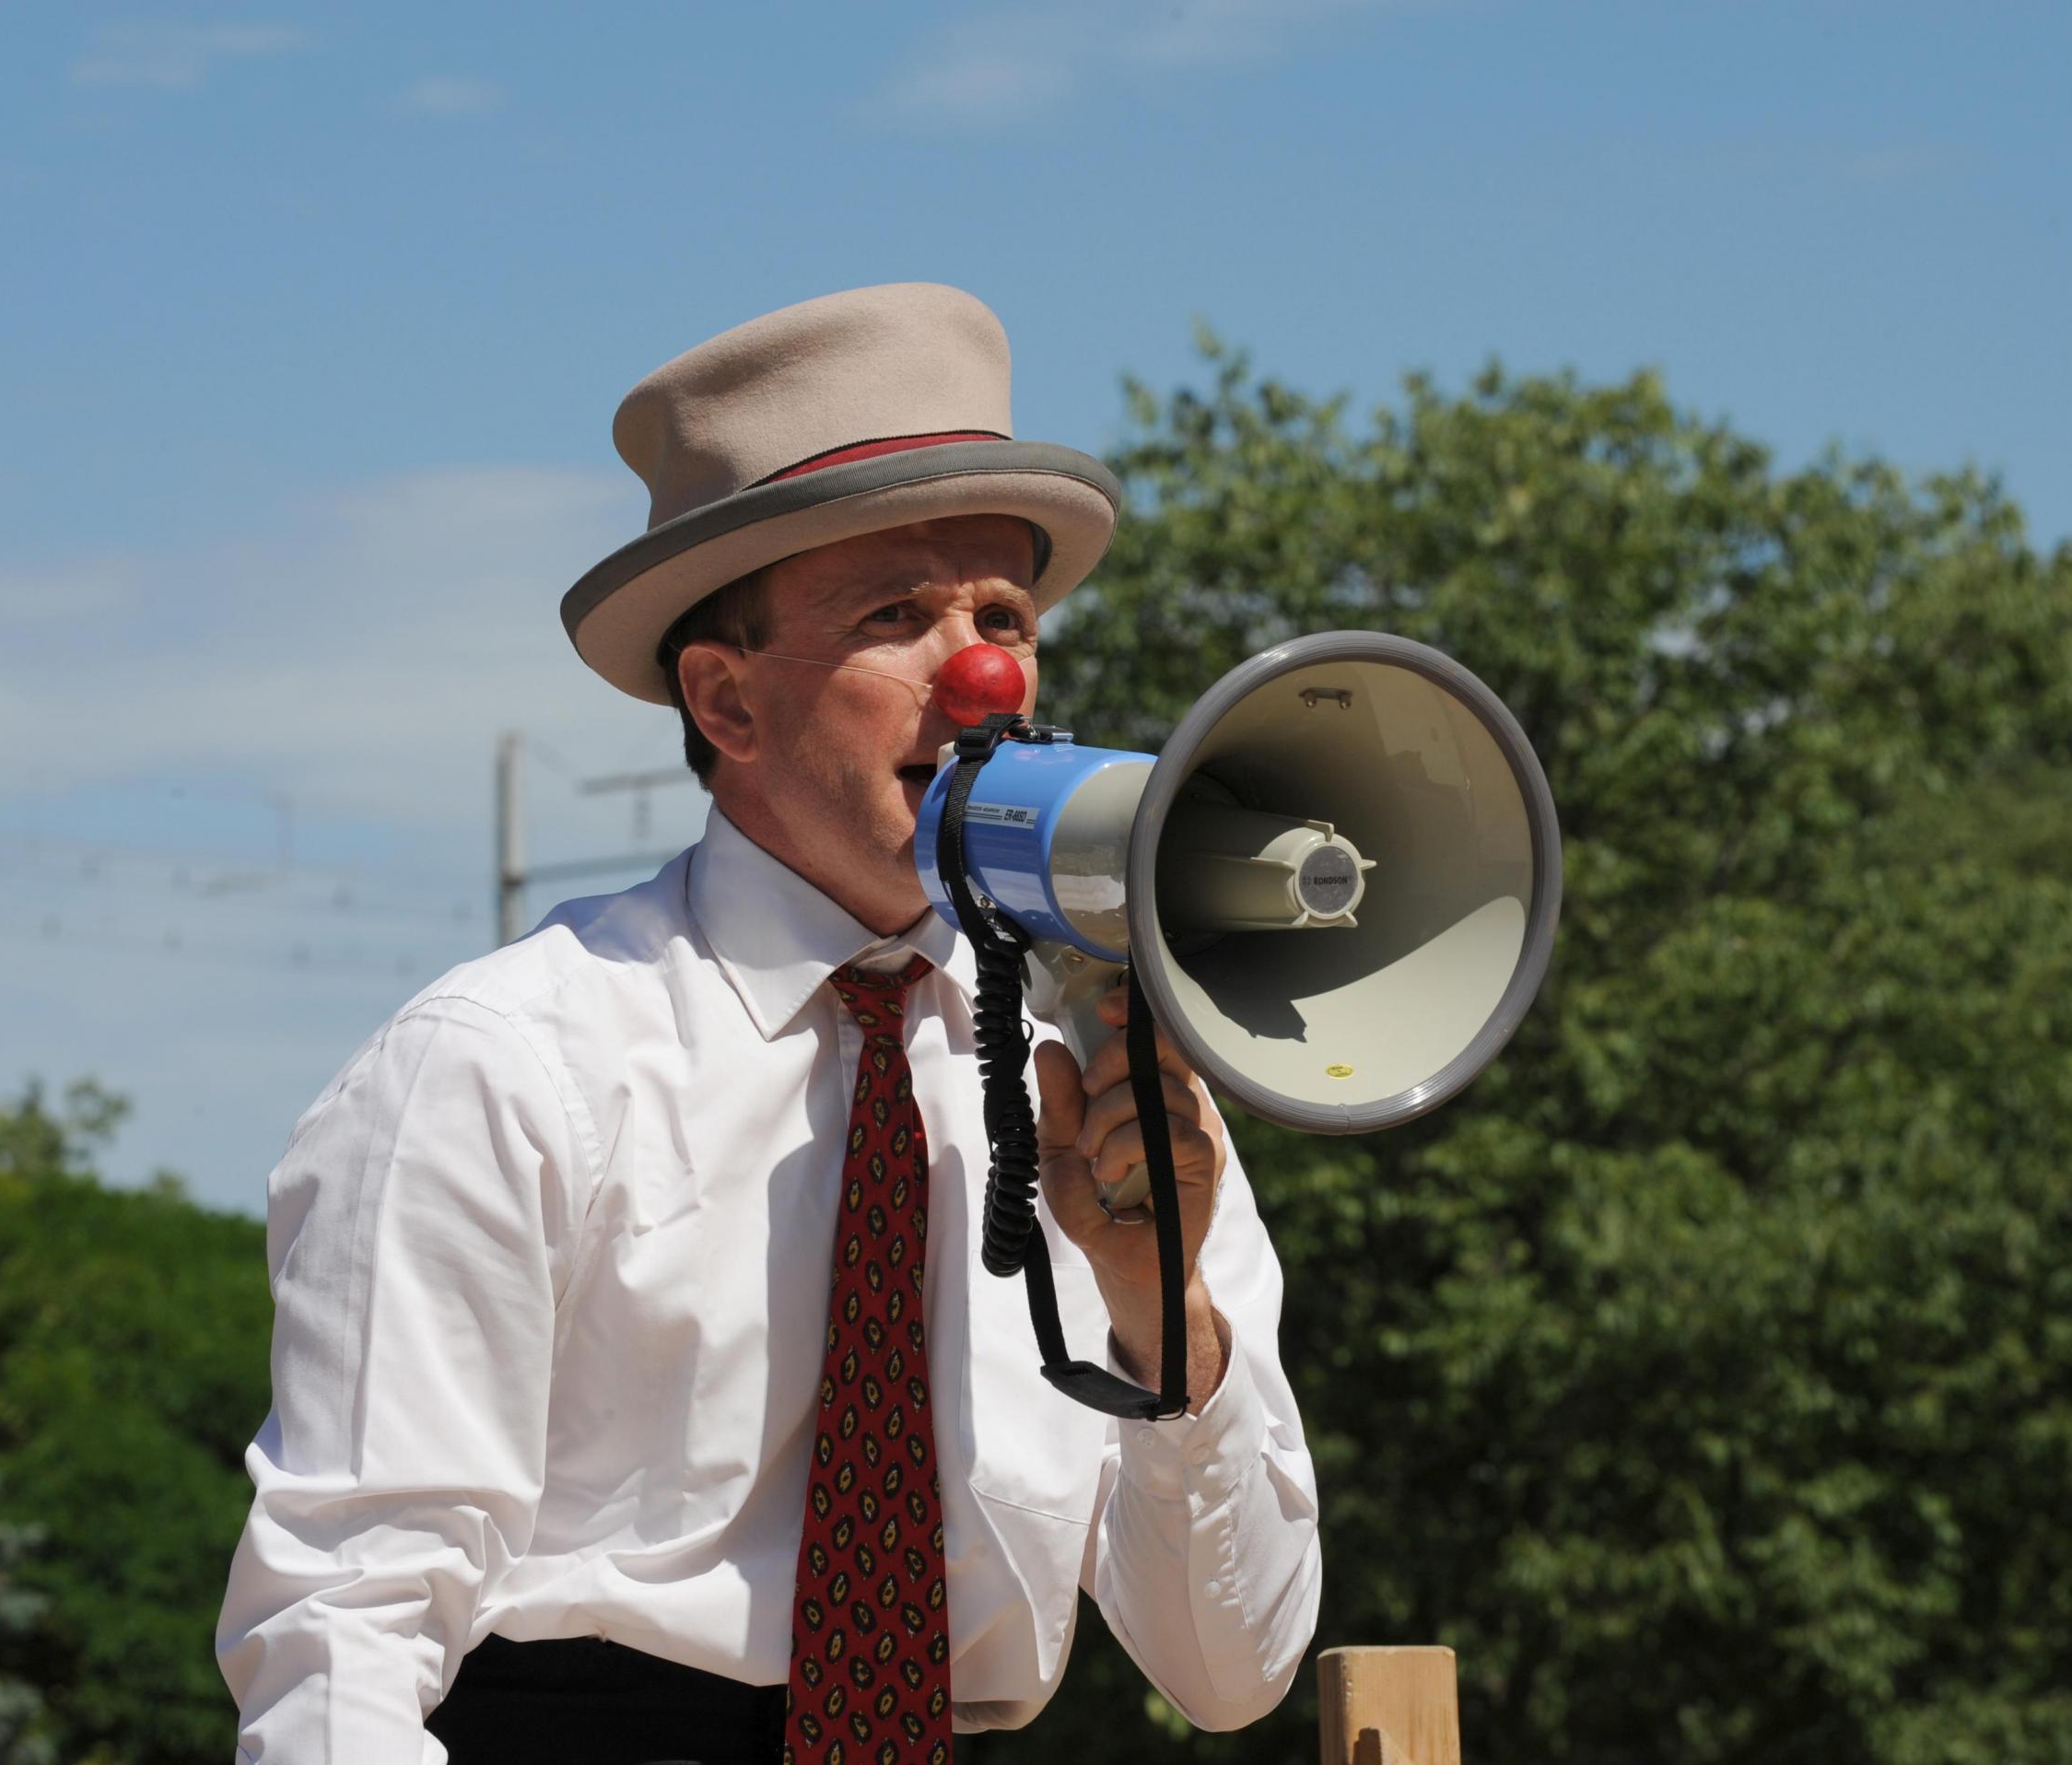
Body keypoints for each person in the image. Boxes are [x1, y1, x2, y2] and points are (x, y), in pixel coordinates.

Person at [216, 283, 1323, 1764]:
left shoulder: (1106, 1078)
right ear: (725, 703)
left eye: (1004, 615)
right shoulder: (501, 1062)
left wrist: (1163, 1326)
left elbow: (1234, 1672)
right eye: (896, 617)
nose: (982, 679)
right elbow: (344, 1631)